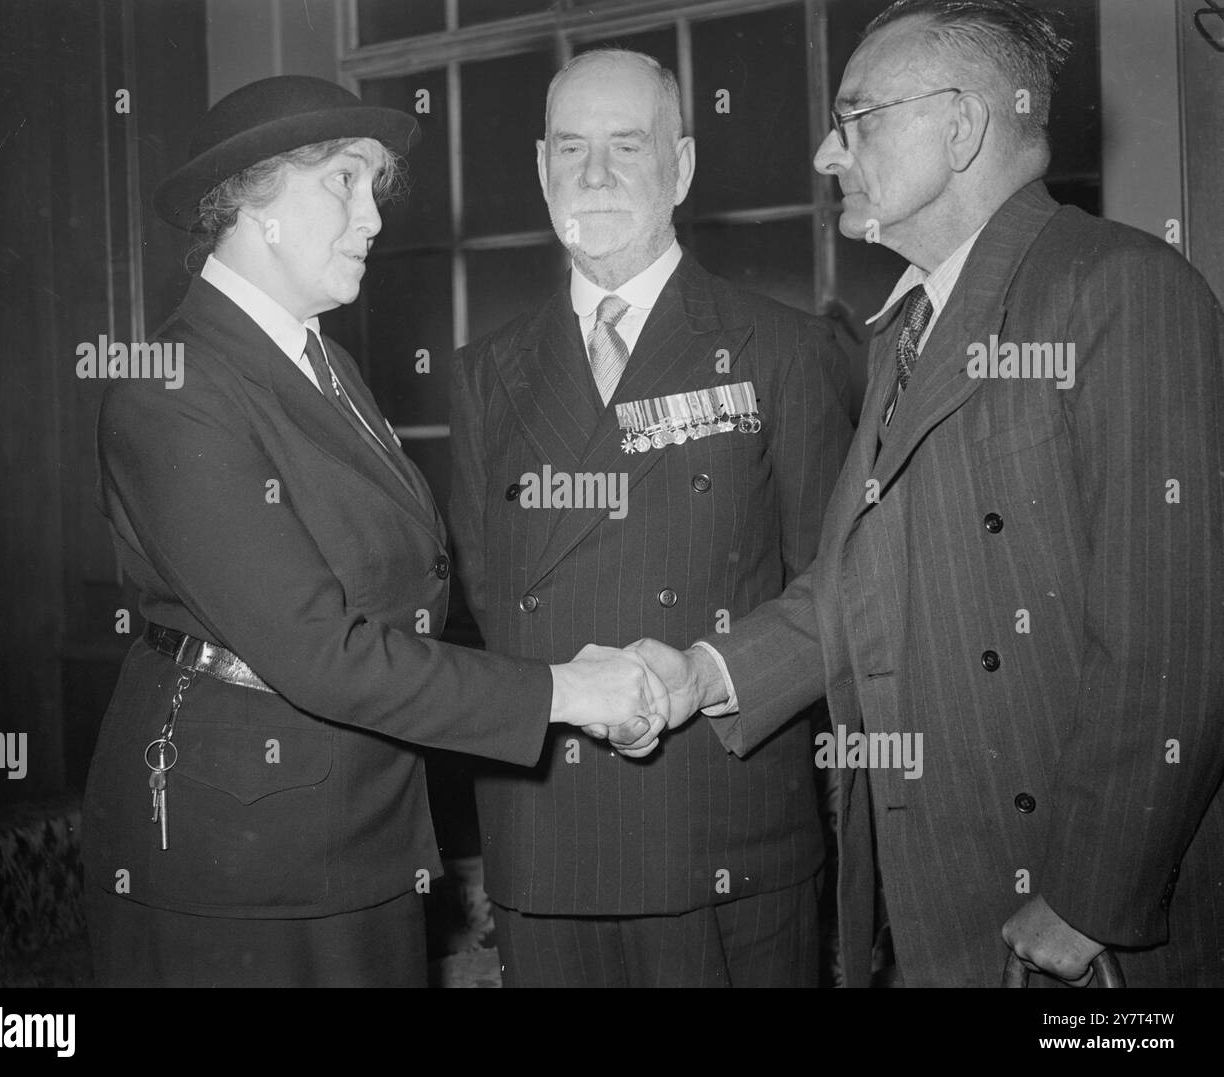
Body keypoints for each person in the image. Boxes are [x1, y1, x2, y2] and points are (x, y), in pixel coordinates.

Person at [633, 0, 1224, 987]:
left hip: (1074, 918)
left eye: (855, 118)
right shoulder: (904, 330)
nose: (826, 154)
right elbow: (856, 584)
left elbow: (1177, 629)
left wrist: (1090, 894)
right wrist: (704, 673)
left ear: (959, 128)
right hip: (934, 878)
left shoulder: (1121, 287)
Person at [81, 75, 666, 988]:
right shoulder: (176, 386)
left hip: (359, 824)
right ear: (248, 194)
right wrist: (559, 691)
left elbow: (410, 580)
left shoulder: (324, 362)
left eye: (373, 189)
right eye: (343, 184)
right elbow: (321, 650)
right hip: (240, 860)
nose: (373, 220)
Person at [449, 49, 853, 987]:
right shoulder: (483, 373)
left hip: (721, 830)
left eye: (626, 146)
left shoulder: (780, 350)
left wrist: (706, 678)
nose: (593, 176)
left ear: (682, 165)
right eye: (571, 148)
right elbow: (487, 593)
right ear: (540, 167)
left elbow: (839, 587)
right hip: (546, 843)